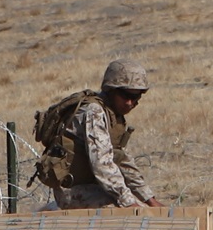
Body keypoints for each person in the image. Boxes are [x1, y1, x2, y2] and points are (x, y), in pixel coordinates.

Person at [33, 59, 161, 209]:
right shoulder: (94, 112)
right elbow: (102, 164)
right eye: (125, 95)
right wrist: (129, 202)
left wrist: (149, 199)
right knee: (132, 214)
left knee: (147, 211)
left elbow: (121, 159)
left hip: (95, 187)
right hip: (73, 191)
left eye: (136, 97)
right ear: (111, 90)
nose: (130, 103)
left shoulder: (114, 115)